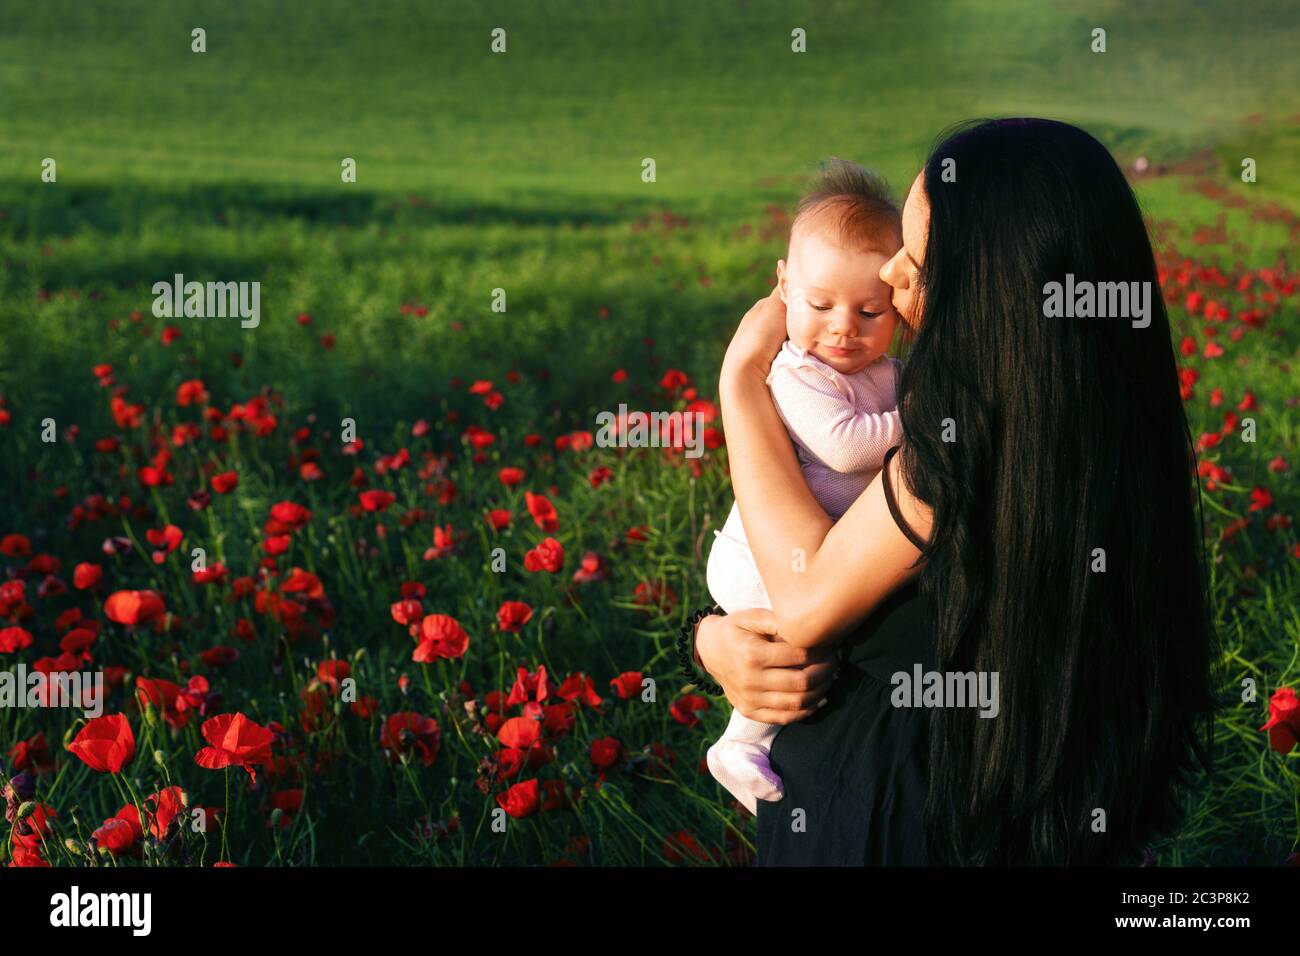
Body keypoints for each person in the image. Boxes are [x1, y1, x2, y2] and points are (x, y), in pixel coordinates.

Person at [690, 118, 1217, 865]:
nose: (892, 273)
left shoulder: (958, 438)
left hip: (888, 814)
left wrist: (740, 381)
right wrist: (710, 638)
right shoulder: (1100, 431)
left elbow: (808, 602)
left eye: (919, 256)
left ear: (993, 285)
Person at [705, 159, 905, 815]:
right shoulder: (796, 372)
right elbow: (847, 447)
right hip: (761, 560)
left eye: (870, 309)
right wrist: (925, 422)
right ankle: (739, 743)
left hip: (807, 555)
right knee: (789, 652)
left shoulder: (888, 371)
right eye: (819, 305)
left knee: (799, 655)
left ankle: (746, 742)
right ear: (783, 288)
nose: (843, 326)